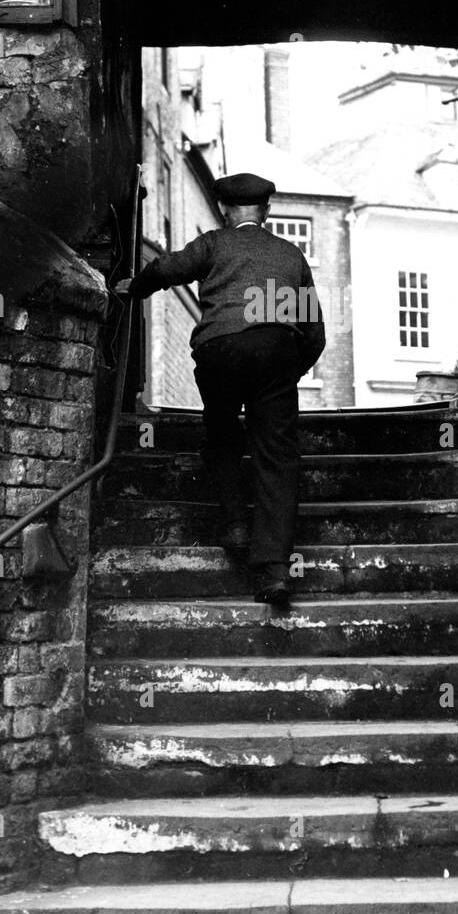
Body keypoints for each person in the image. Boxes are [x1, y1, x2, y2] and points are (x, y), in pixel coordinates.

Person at [114, 172, 326, 606]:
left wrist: (132, 288)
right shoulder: (290, 256)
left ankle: (233, 521)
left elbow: (166, 268)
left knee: (223, 435)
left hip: (220, 351)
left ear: (226, 211)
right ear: (266, 212)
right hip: (275, 352)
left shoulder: (213, 244)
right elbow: (315, 332)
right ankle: (273, 571)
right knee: (276, 456)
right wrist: (289, 369)